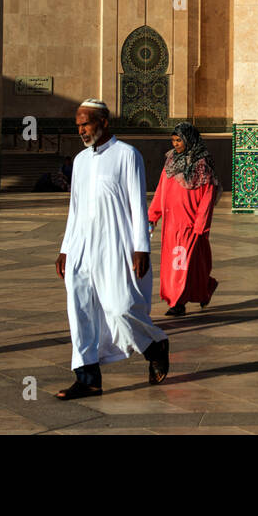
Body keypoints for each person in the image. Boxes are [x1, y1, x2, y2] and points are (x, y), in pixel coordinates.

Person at [54, 99, 169, 399]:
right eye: (78, 125)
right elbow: (74, 209)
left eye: (86, 124)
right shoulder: (79, 161)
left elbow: (137, 204)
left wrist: (141, 247)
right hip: (80, 247)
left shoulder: (127, 155)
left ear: (104, 122)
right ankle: (88, 378)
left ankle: (154, 345)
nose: (81, 130)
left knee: (119, 308)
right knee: (79, 312)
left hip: (115, 245)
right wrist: (66, 248)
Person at [148, 123, 220, 318]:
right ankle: (203, 289)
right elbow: (162, 188)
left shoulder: (203, 163)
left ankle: (178, 303)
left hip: (190, 224)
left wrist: (201, 225)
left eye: (179, 140)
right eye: (173, 140)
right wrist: (153, 215)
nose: (176, 144)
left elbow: (208, 196)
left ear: (189, 139)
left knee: (184, 264)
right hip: (171, 222)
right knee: (176, 264)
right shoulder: (171, 161)